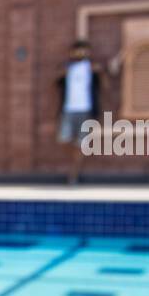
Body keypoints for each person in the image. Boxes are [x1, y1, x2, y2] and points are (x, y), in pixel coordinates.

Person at [56, 37, 103, 185]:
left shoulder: (92, 67)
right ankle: (71, 164)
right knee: (64, 139)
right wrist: (63, 73)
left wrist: (99, 72)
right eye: (78, 49)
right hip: (68, 109)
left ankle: (73, 173)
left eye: (84, 49)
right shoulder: (68, 67)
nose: (81, 52)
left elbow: (104, 85)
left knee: (81, 143)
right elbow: (55, 83)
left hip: (85, 110)